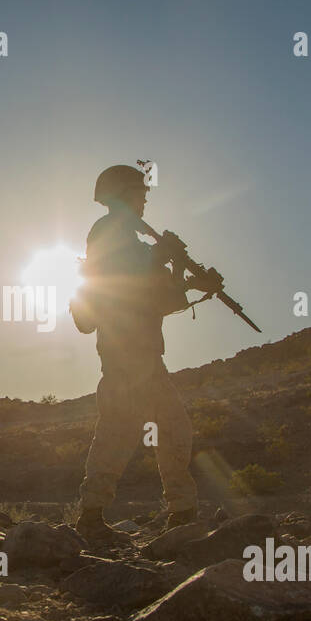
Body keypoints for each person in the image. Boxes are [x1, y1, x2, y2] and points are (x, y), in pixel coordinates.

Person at [72, 165, 199, 543]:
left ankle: (181, 512)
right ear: (122, 195)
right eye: (139, 192)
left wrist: (184, 273)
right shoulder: (107, 232)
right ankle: (93, 515)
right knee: (120, 431)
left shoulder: (135, 242)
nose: (145, 198)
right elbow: (121, 277)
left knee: (171, 428)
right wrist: (161, 254)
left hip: (146, 358)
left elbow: (161, 298)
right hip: (123, 356)